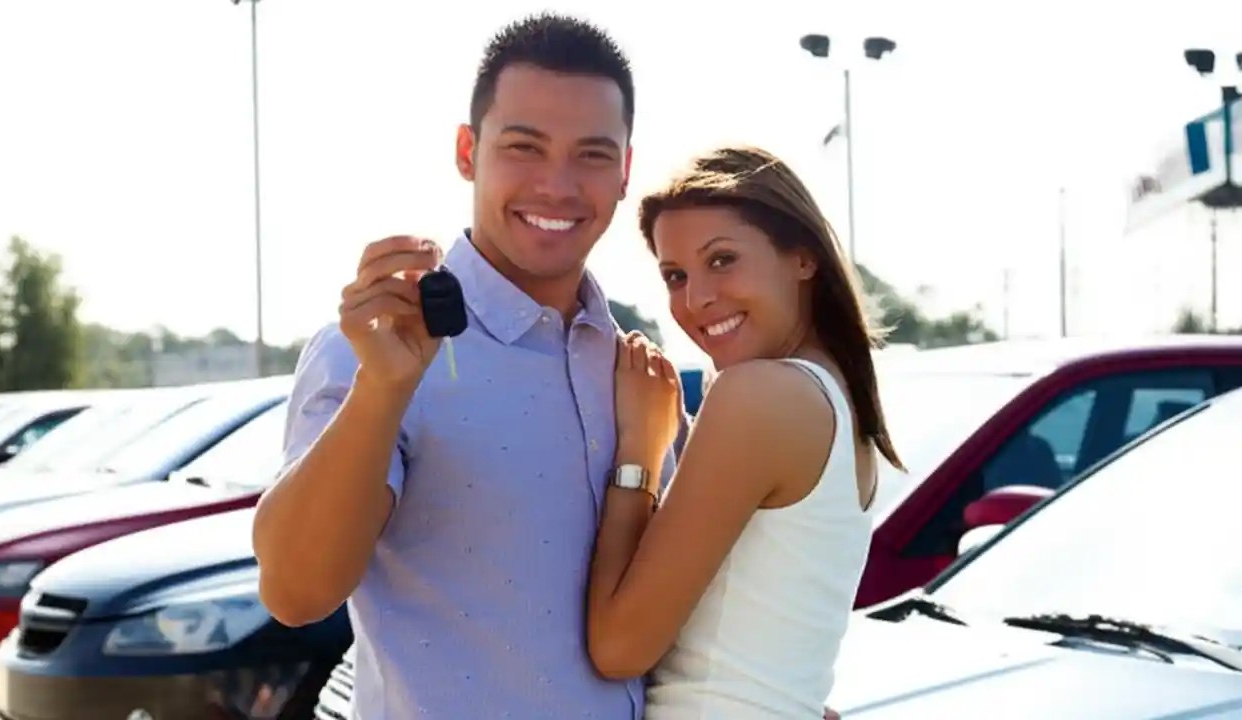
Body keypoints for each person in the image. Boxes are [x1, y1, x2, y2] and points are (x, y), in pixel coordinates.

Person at [250, 12, 683, 719]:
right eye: (525, 147)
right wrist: (382, 389)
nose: (558, 185)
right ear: (467, 150)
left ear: (626, 171)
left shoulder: (638, 376)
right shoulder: (374, 350)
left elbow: (666, 623)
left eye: (592, 154)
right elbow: (295, 594)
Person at [585, 145, 905, 718]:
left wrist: (641, 448)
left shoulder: (762, 395)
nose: (697, 299)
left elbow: (618, 649)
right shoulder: (839, 404)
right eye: (676, 276)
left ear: (803, 257)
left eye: (722, 260)